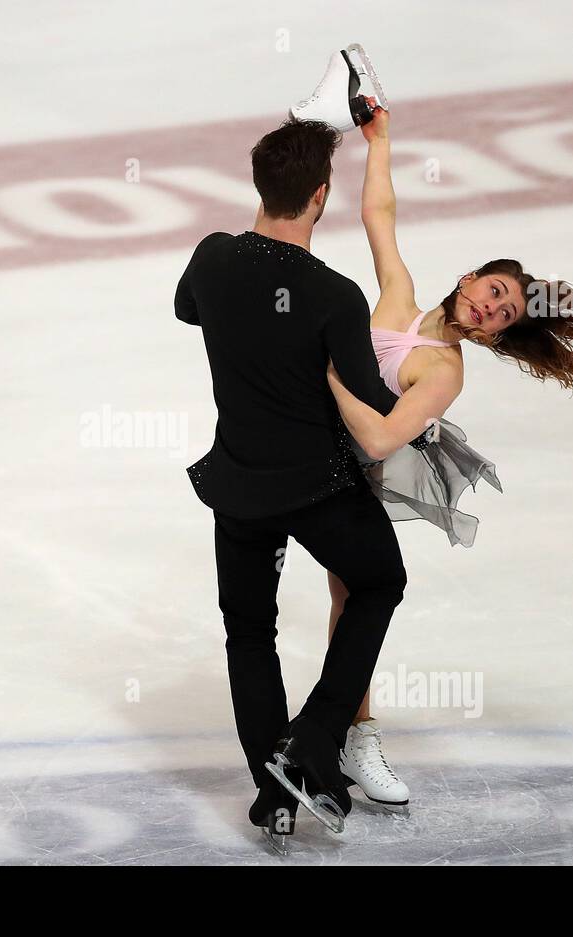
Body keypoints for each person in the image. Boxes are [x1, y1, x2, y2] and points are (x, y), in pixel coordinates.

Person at [323, 94, 573, 811]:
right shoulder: (398, 297)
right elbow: (378, 217)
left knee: (353, 596)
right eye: (495, 292)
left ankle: (354, 736)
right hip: (308, 449)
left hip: (359, 470)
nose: (492, 309)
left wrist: (322, 371)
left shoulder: (444, 372)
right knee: (342, 596)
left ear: (492, 337)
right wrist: (379, 139)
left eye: (504, 316)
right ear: (471, 278)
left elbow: (383, 437)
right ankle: (333, 731)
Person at [175, 117, 428, 851]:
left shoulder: (212, 259)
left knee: (249, 632)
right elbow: (366, 408)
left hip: (239, 485)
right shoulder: (333, 294)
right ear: (321, 197)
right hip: (318, 486)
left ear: (262, 185)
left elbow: (190, 308)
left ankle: (273, 791)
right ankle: (313, 741)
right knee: (379, 581)